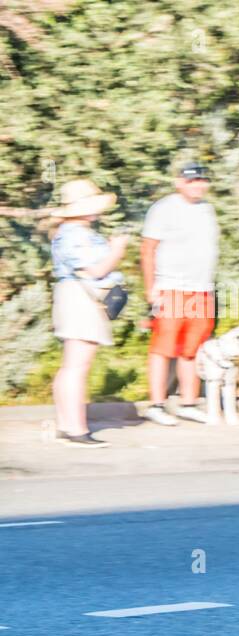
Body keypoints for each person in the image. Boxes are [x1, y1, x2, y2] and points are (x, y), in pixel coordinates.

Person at [48, 179, 128, 448]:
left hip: (74, 296)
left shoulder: (70, 232)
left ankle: (65, 424)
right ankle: (76, 430)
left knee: (70, 366)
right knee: (77, 367)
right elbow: (95, 271)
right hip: (81, 299)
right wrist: (116, 250)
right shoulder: (75, 234)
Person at [140, 161, 220, 426]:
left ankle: (188, 401)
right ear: (178, 182)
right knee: (163, 348)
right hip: (171, 287)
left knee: (192, 349)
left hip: (201, 288)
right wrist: (151, 287)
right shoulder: (163, 209)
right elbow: (148, 249)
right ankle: (156, 403)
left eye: (201, 180)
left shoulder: (207, 209)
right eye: (191, 180)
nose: (197, 185)